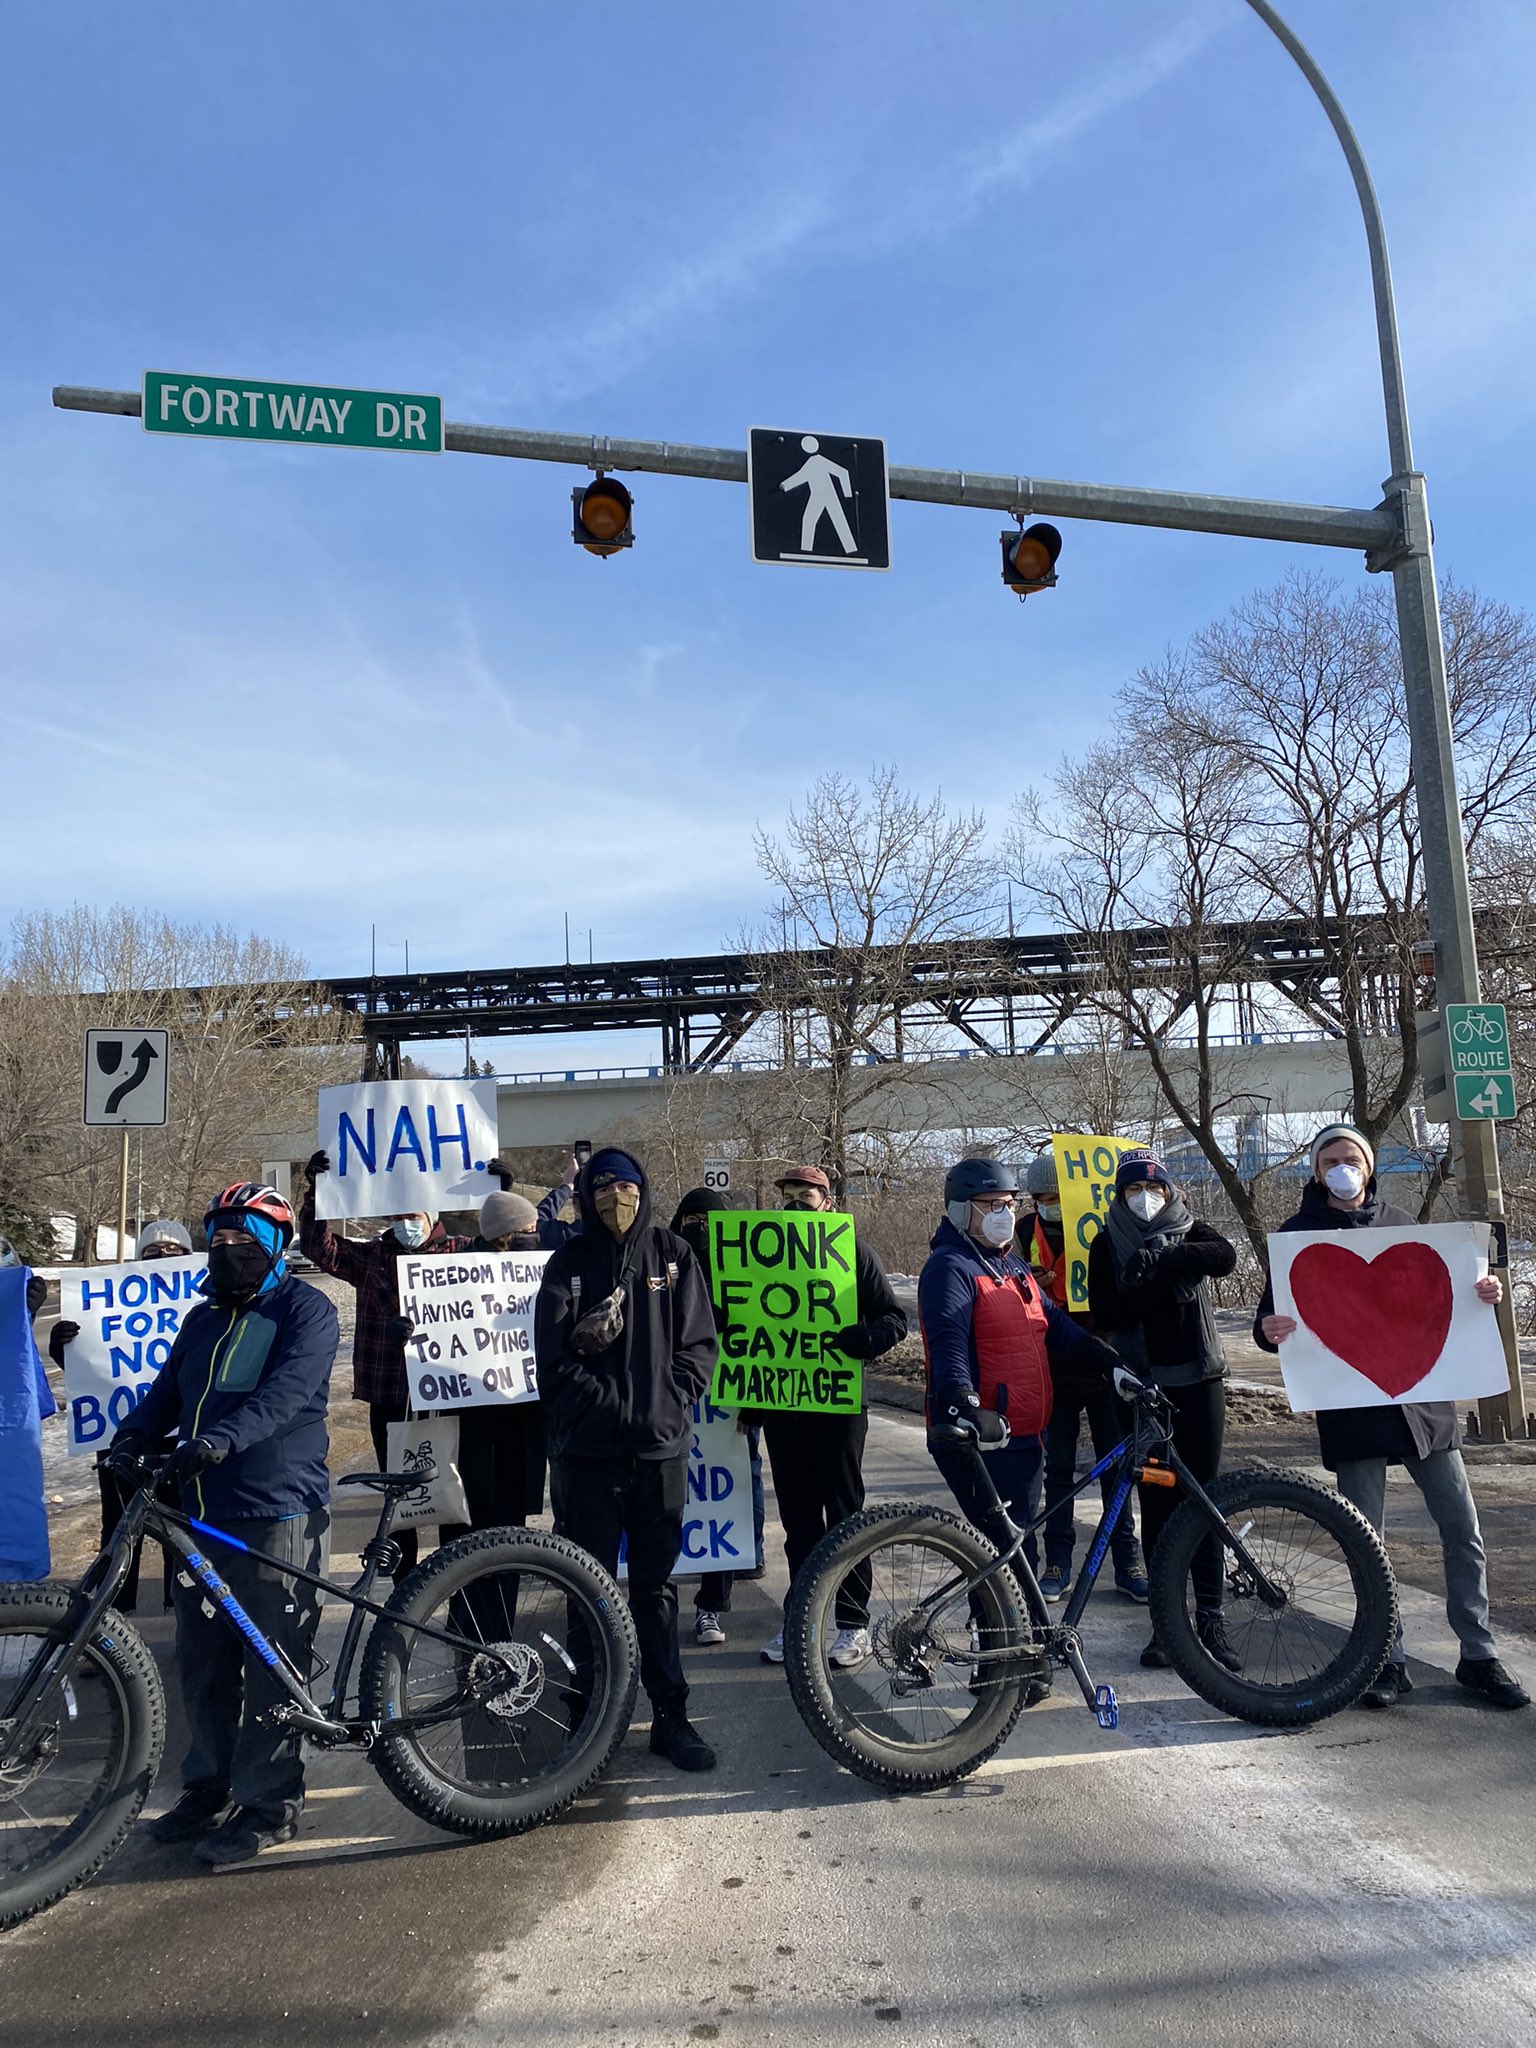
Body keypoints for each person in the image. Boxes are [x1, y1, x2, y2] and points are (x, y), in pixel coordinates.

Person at [1255, 1121, 1528, 1711]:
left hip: (1425, 1407)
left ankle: (1479, 1655)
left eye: (1350, 1157)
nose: (1341, 1168)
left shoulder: (1407, 1226)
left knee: (1463, 1530)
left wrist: (1484, 1296)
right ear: (1315, 1169)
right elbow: (1269, 1322)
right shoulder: (1296, 1236)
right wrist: (1270, 1330)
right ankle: (1385, 1657)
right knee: (1367, 1540)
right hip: (1354, 1412)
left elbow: (1446, 1301)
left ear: (1370, 1164)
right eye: (1329, 1159)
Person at [108, 1182, 339, 1867]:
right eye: (220, 1239)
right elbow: (166, 1393)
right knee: (203, 1665)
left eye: (245, 1241)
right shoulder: (203, 1318)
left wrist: (223, 1438)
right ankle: (207, 1787)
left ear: (275, 1247)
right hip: (199, 1515)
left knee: (271, 1665)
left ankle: (270, 1803)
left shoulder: (308, 1311)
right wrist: (132, 1436)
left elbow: (287, 1395)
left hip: (276, 1509)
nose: (228, 1250)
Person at [534, 1148, 719, 1771]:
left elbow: (700, 1346)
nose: (617, 1196)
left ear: (646, 1188)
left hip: (662, 1453)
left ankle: (672, 1716)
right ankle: (589, 1721)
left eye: (628, 1184)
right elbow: (554, 1365)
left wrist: (670, 1403)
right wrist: (614, 1408)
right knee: (587, 1590)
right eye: (604, 1186)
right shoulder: (568, 1262)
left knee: (657, 1589)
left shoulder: (674, 1255)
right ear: (586, 1194)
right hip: (588, 1457)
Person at [920, 1159, 1119, 1611]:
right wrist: (966, 1405)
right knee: (998, 1558)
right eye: (990, 1204)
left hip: (1025, 1433)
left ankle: (1023, 1659)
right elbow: (947, 1342)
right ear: (957, 1210)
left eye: (1009, 1203)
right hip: (983, 1436)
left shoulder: (1009, 1264)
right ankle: (995, 1663)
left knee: (1018, 1551)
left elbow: (1053, 1323)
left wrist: (1106, 1360)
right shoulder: (950, 1267)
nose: (1003, 1213)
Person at [1088, 1150, 1239, 1674]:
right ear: (1119, 1196)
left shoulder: (1193, 1228)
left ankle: (1211, 1621)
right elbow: (1104, 1311)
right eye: (1133, 1190)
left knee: (1205, 1500)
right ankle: (1165, 1625)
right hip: (1144, 1392)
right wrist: (1142, 1281)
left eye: (1154, 1188)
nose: (1145, 1198)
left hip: (1200, 1384)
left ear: (1171, 1191)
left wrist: (1164, 1258)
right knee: (1157, 1505)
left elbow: (1223, 1258)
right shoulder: (1105, 1242)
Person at [757, 1166, 907, 1671]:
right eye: (790, 1196)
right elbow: (747, 1330)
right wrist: (753, 1400)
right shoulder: (762, 1257)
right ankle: (801, 1619)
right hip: (784, 1407)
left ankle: (852, 1623)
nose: (798, 1203)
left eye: (808, 1195)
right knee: (798, 1523)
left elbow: (893, 1318)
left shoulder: (853, 1250)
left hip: (838, 1407)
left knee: (844, 1516)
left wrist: (864, 1342)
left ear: (827, 1201)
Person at [298, 1153, 467, 1579]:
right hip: (390, 1392)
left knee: (451, 1486)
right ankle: (404, 1583)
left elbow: (516, 1252)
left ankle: (459, 1574)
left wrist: (503, 1191)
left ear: (431, 1215)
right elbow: (319, 1248)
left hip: (449, 1391)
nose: (403, 1223)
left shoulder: (462, 1252)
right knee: (398, 1489)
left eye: (411, 1215)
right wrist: (318, 1193)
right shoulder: (374, 1256)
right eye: (396, 1215)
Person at [49, 1216, 195, 1613]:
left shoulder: (202, 1307)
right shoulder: (109, 1303)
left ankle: (180, 1615)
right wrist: (64, 1347)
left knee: (178, 1528)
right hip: (120, 1435)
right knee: (119, 1529)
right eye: (152, 1251)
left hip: (179, 1436)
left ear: (188, 1257)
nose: (161, 1256)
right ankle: (111, 1620)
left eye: (172, 1251)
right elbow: (94, 1371)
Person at [1024, 1153, 1148, 1605]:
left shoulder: (1102, 1228)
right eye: (1040, 1198)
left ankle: (1127, 1560)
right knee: (1057, 1469)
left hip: (1102, 1361)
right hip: (1053, 1366)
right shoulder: (1022, 1231)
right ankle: (1058, 1561)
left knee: (1117, 1467)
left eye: (1055, 1196)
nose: (1047, 1205)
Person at [669, 1185, 767, 1647]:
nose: (701, 1233)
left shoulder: (744, 1272)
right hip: (674, 1406)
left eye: (710, 1225)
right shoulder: (662, 1270)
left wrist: (754, 1403)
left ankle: (711, 1606)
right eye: (692, 1224)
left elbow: (765, 1340)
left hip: (728, 1411)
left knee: (722, 1505)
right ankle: (661, 1600)